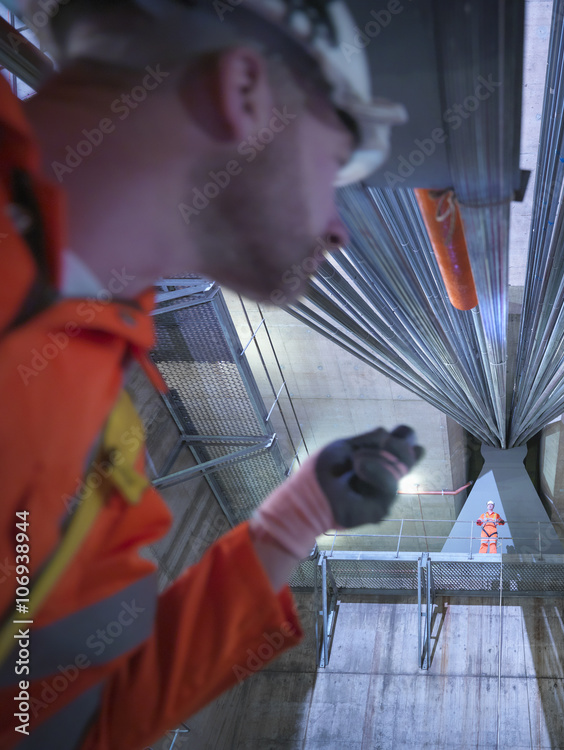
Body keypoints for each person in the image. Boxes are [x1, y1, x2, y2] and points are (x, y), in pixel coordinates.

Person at [0, 2, 421, 748]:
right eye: (334, 162)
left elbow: (72, 717)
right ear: (244, 91)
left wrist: (297, 519)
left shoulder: (104, 416)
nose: (337, 228)